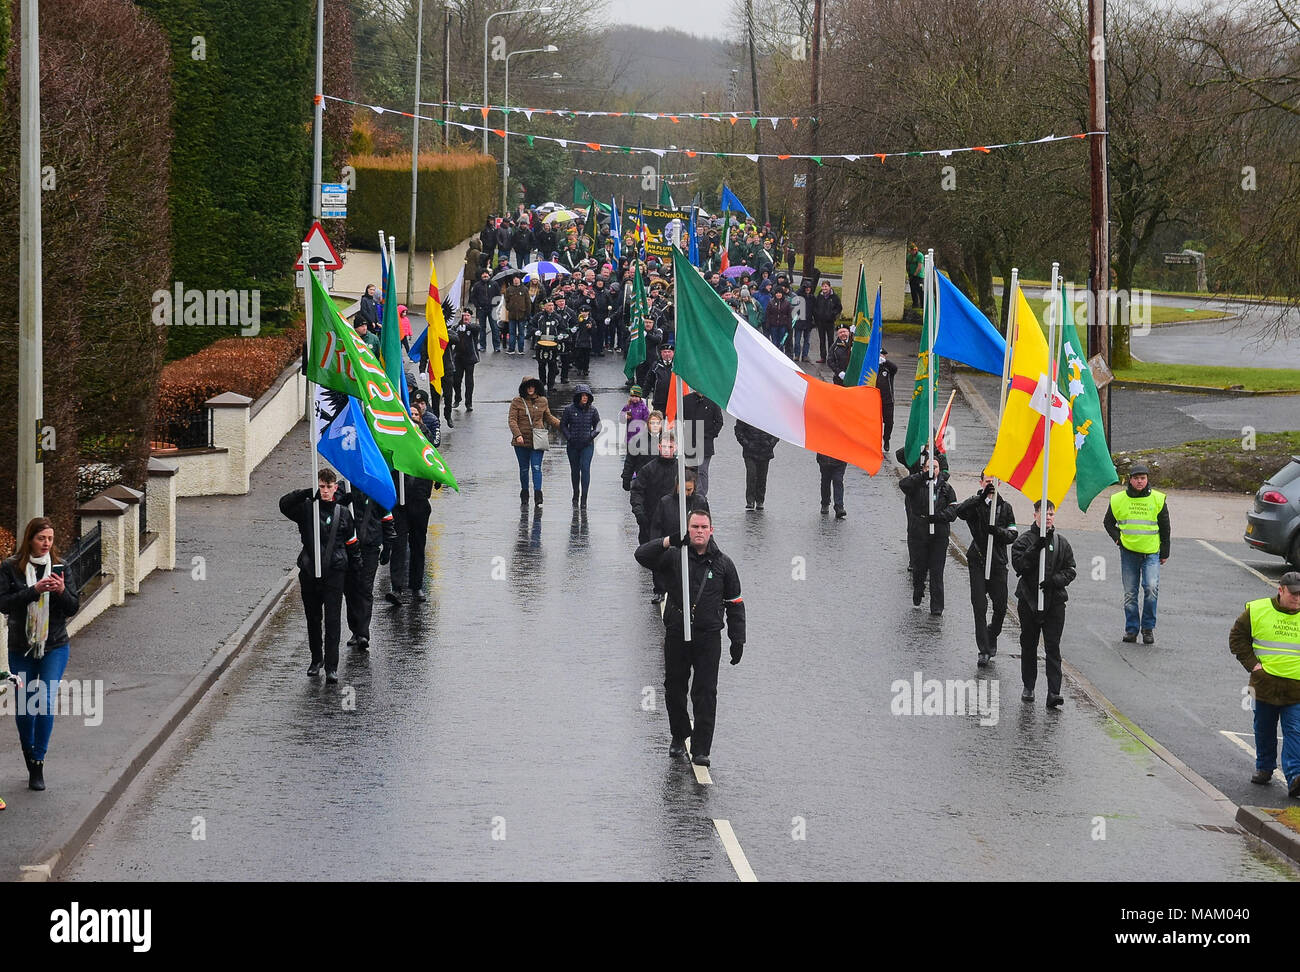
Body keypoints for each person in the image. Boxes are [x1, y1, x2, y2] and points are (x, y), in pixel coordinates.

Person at [634, 509, 745, 767]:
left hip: (708, 636)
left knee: (705, 693)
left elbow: (735, 603)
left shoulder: (723, 564)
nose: (698, 531)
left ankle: (701, 749)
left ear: (711, 531)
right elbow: (641, 555)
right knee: (674, 688)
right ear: (688, 529)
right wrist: (669, 540)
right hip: (677, 632)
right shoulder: (675, 556)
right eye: (694, 527)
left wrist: (737, 639)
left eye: (703, 527)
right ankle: (679, 734)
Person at [0, 517, 80, 791]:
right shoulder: (11, 568)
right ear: (29, 540)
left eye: (50, 538)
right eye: (41, 538)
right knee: (25, 707)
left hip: (54, 645)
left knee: (44, 700)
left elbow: (72, 607)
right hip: (21, 647)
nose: (46, 544)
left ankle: (38, 763)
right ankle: (28, 753)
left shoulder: (60, 567)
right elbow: (4, 604)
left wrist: (59, 591)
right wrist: (33, 591)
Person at [280, 468, 361, 683]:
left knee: (333, 619)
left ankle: (332, 666)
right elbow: (284, 504)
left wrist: (356, 570)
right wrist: (308, 492)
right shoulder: (307, 509)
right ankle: (316, 660)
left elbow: (352, 543)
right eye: (321, 487)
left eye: (328, 487)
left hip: (335, 572)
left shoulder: (343, 513)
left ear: (336, 488)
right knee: (313, 618)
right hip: (309, 571)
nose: (325, 491)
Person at [1229, 572, 1300, 793]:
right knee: (1264, 729)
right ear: (1281, 590)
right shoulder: (1258, 610)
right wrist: (1253, 665)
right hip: (1263, 684)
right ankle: (1264, 768)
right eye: (1294, 594)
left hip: (1296, 689)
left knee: (1295, 731)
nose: (1297, 599)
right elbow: (1237, 638)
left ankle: (1295, 776)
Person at [945, 474, 1018, 666]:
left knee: (1001, 607)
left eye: (994, 482)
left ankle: (992, 632)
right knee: (979, 605)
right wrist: (980, 497)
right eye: (987, 482)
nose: (991, 485)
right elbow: (959, 512)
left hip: (998, 562)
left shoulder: (1005, 507)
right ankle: (983, 650)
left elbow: (1013, 534)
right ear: (981, 483)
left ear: (1000, 483)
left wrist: (998, 532)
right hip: (978, 560)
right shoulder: (975, 505)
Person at [1011, 500, 1076, 706]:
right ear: (1035, 515)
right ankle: (1029, 686)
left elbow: (1071, 570)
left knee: (1053, 647)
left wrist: (1054, 581)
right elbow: (1019, 566)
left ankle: (1054, 692)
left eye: (1051, 514)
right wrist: (1036, 547)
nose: (1048, 517)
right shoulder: (1023, 541)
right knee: (1028, 644)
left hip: (1054, 602)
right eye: (1044, 513)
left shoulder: (1061, 542)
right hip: (1029, 600)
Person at [1103, 461, 1170, 644]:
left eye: (1143, 478)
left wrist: (1165, 552)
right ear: (1130, 480)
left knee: (1151, 588)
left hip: (1151, 553)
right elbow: (1108, 523)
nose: (1140, 481)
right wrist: (1118, 539)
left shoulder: (1157, 499)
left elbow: (1165, 527)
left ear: (1147, 479)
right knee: (1130, 594)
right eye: (1136, 478)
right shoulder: (1118, 500)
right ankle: (1131, 629)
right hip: (1129, 553)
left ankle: (1147, 628)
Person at [899, 454, 957, 614]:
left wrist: (938, 517)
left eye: (935, 467)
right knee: (919, 570)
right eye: (928, 467)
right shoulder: (917, 485)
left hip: (939, 535)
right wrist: (922, 476)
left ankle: (937, 606)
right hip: (919, 533)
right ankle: (918, 590)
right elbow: (903, 485)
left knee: (937, 572)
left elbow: (953, 511)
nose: (932, 470)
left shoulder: (946, 489)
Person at [342, 485, 395, 652]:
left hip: (370, 547)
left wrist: (387, 547)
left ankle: (363, 632)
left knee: (365, 588)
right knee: (350, 589)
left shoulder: (376, 490)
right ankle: (355, 629)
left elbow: (387, 520)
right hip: (348, 548)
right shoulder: (344, 488)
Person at [509, 376, 560, 509]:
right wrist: (517, 434)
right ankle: (524, 493)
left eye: (533, 386)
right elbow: (512, 420)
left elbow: (548, 417)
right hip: (521, 441)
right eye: (528, 386)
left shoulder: (543, 401)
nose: (531, 389)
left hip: (538, 440)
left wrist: (563, 425)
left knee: (536, 467)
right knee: (524, 469)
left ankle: (538, 496)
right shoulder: (517, 402)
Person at [560, 383, 601, 507]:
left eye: (586, 396)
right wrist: (569, 437)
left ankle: (584, 498)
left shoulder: (593, 410)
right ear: (578, 397)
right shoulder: (569, 410)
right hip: (573, 445)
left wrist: (591, 435)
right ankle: (576, 493)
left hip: (587, 445)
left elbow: (598, 426)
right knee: (575, 470)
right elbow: (563, 425)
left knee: (585, 469)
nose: (584, 398)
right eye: (582, 395)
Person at [681, 389, 724, 497]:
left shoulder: (712, 401)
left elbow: (719, 421)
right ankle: (690, 494)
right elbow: (679, 419)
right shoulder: (686, 400)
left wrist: (710, 435)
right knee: (691, 470)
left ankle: (700, 496)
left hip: (705, 444)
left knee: (702, 471)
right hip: (690, 442)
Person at [734, 419, 778, 511]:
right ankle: (750, 501)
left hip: (765, 450)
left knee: (762, 477)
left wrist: (770, 444)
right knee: (751, 475)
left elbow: (777, 431)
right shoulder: (745, 412)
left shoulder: (771, 412)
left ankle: (760, 500)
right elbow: (739, 430)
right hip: (750, 450)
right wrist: (747, 444)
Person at [451, 309, 480, 412]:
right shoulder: (456, 327)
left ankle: (469, 403)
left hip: (470, 358)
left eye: (468, 315)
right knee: (456, 380)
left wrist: (467, 326)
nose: (466, 317)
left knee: (469, 382)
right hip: (458, 358)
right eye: (464, 315)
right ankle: (457, 398)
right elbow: (451, 335)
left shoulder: (473, 327)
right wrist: (459, 327)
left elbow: (476, 329)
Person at [810, 280, 842, 364]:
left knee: (830, 340)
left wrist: (833, 314)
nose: (824, 288)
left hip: (830, 322)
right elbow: (815, 307)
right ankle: (823, 357)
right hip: (820, 322)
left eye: (826, 286)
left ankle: (831, 357)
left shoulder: (834, 297)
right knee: (822, 340)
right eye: (823, 286)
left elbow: (839, 308)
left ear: (829, 287)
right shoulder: (819, 296)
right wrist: (816, 315)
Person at [470, 269, 498, 352]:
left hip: (492, 309)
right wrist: (478, 306)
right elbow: (473, 297)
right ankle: (482, 345)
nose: (485, 276)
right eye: (483, 274)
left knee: (495, 328)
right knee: (482, 328)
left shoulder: (494, 284)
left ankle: (496, 346)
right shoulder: (477, 285)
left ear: (489, 275)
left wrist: (495, 305)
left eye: (486, 274)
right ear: (481, 275)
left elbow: (498, 296)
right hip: (481, 310)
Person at [877, 348, 899, 452]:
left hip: (887, 399)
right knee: (875, 422)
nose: (880, 356)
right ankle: (875, 442)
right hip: (874, 400)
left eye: (882, 355)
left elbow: (895, 368)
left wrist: (885, 362)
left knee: (889, 422)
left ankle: (886, 439)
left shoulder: (888, 368)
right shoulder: (871, 366)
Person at [504, 273, 532, 354]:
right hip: (512, 314)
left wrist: (527, 313)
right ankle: (511, 349)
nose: (515, 280)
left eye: (517, 278)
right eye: (514, 278)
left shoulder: (524, 289)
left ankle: (521, 349)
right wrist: (509, 307)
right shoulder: (509, 289)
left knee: (521, 333)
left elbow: (528, 302)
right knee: (512, 333)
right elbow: (506, 300)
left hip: (522, 314)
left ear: (520, 279)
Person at [646, 342, 675, 415]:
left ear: (673, 353)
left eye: (669, 352)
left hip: (674, 401)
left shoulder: (678, 366)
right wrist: (643, 396)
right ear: (661, 353)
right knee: (658, 423)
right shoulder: (656, 366)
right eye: (664, 352)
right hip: (659, 401)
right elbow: (649, 382)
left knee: (674, 423)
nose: (667, 354)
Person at [764, 285, 793, 353]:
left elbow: (789, 316)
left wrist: (789, 326)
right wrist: (768, 324)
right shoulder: (771, 302)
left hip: (783, 326)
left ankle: (781, 355)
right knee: (774, 342)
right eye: (777, 293)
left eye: (780, 293)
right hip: (773, 325)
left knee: (781, 343)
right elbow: (767, 314)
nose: (778, 294)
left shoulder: (787, 303)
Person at [906, 243, 925, 313]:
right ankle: (915, 304)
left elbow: (919, 267)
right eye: (910, 251)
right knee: (913, 290)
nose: (911, 252)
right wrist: (908, 272)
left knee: (920, 290)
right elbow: (907, 264)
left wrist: (915, 275)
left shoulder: (920, 256)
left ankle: (922, 305)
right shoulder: (909, 256)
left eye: (912, 250)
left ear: (915, 250)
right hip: (911, 274)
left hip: (919, 276)